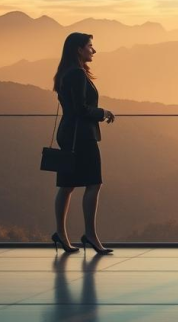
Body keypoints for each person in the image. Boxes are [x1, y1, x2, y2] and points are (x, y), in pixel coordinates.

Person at [50, 32, 116, 255]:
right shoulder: (77, 74)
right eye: (90, 46)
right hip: (82, 136)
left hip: (68, 133)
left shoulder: (65, 73)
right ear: (79, 49)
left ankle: (62, 234)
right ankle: (90, 235)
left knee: (67, 185)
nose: (93, 50)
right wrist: (103, 112)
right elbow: (81, 109)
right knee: (94, 183)